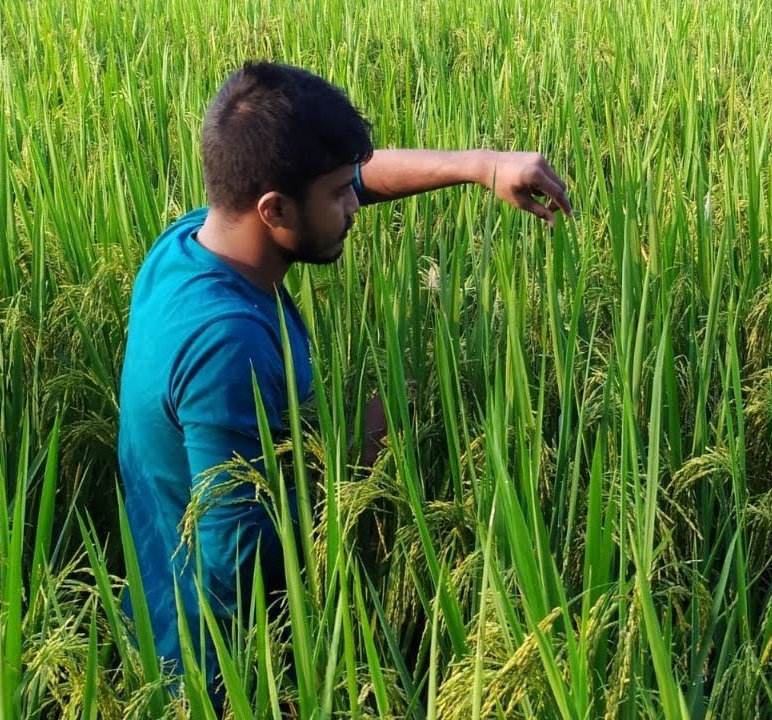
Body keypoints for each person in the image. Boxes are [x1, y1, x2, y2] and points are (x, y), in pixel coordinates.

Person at [116, 60, 572, 710]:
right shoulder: (226, 345)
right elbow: (237, 561)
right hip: (223, 672)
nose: (355, 203)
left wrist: (481, 165)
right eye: (338, 195)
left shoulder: (189, 242)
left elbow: (354, 174)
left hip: (167, 599)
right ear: (274, 208)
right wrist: (357, 451)